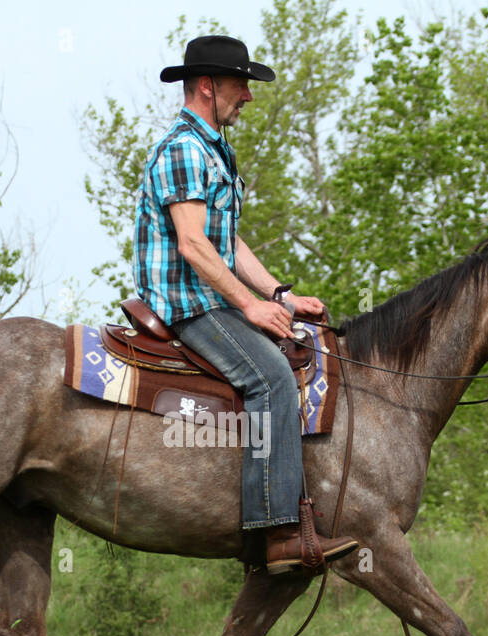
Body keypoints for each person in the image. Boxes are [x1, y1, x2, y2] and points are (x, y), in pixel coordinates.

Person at [134, 34, 358, 574]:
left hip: (214, 298)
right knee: (272, 378)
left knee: (303, 346)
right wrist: (251, 307)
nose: (248, 97)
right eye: (241, 85)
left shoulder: (215, 149)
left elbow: (228, 241)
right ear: (207, 87)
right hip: (187, 303)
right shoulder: (184, 148)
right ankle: (275, 532)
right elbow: (192, 244)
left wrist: (278, 294)